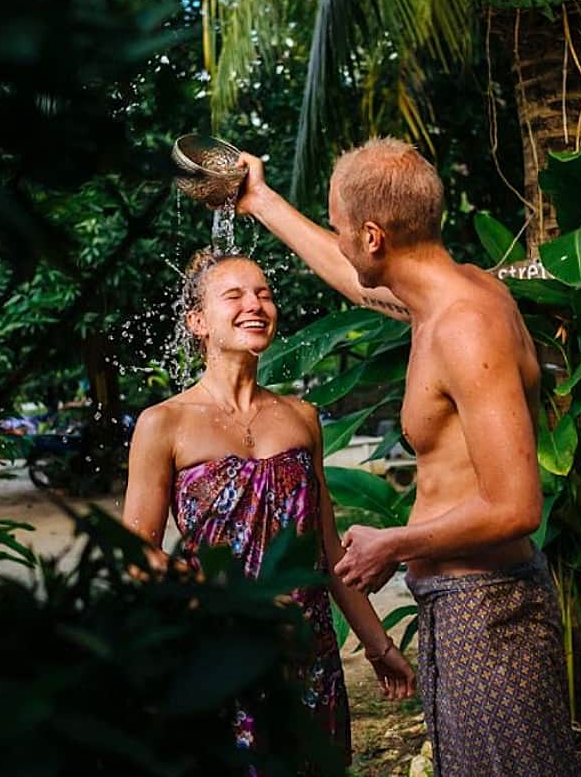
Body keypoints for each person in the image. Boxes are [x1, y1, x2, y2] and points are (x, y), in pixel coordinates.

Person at [234, 138, 581, 777]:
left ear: (372, 236)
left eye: (341, 230)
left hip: (491, 614)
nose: (339, 243)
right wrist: (260, 201)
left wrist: (391, 543)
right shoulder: (444, 296)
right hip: (460, 605)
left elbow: (516, 505)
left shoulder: (466, 325)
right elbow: (353, 281)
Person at [121, 249, 416, 773]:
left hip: (308, 654)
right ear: (197, 322)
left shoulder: (300, 418)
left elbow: (327, 550)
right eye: (233, 295)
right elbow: (134, 558)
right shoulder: (163, 423)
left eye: (263, 293)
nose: (255, 305)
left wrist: (377, 643)